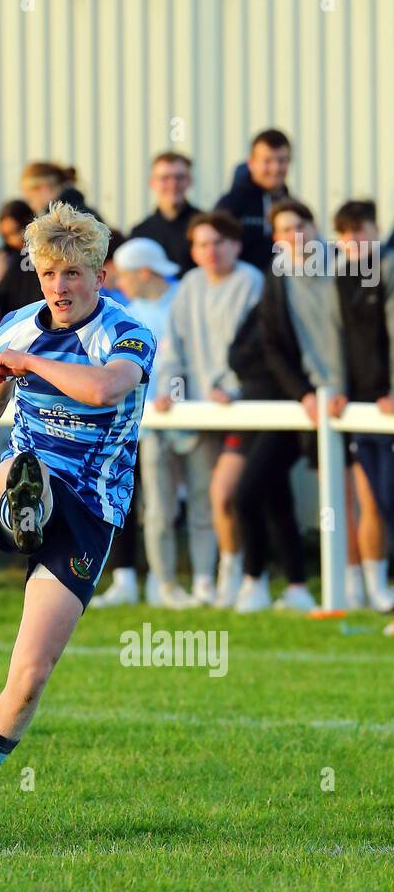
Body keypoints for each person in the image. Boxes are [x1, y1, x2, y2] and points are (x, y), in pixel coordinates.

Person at [0, 203, 156, 849]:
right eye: (49, 273)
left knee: (27, 681)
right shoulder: (16, 327)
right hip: (31, 470)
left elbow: (106, 389)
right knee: (24, 467)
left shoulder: (128, 333)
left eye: (74, 274)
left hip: (89, 511)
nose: (60, 286)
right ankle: (16, 505)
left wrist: (32, 366)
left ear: (100, 276)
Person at [226, 202, 333, 613]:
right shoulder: (276, 280)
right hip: (280, 403)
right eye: (285, 230)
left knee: (250, 494)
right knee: (270, 494)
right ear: (276, 238)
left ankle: (259, 579)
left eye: (301, 226)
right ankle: (293, 585)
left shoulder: (336, 270)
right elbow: (269, 347)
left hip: (318, 402)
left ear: (314, 226)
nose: (295, 235)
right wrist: (301, 392)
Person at [154, 211, 264, 608]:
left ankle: (239, 576)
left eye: (219, 242)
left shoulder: (251, 282)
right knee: (203, 498)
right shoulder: (189, 286)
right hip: (197, 411)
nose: (211, 251)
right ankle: (213, 579)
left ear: (235, 244)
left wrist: (233, 391)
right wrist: (171, 392)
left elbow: (257, 348)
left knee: (230, 494)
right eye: (202, 244)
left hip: (240, 406)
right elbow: (173, 349)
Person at [89, 237, 199, 609]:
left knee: (198, 502)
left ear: (145, 272)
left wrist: (180, 397)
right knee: (135, 502)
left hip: (193, 422)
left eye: (123, 276)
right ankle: (137, 581)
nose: (117, 283)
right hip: (137, 426)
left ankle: (191, 582)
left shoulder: (185, 301)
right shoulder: (128, 313)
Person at [333, 200, 394, 613]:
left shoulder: (387, 272)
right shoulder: (335, 278)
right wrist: (334, 388)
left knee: (385, 499)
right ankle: (358, 586)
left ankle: (377, 585)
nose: (354, 240)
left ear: (376, 229)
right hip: (349, 409)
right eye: (346, 233)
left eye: (361, 230)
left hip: (384, 406)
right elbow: (331, 342)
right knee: (357, 500)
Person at [214, 128, 292, 272]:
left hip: (280, 289)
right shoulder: (229, 205)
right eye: (267, 161)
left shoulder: (293, 208)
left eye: (282, 160)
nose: (275, 168)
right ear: (251, 163)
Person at [129, 152, 199, 274]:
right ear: (152, 183)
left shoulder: (205, 229)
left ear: (189, 181)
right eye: (165, 178)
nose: (173, 184)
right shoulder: (140, 233)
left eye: (180, 177)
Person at [0, 199, 40, 338]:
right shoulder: (6, 257)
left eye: (17, 230)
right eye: (6, 236)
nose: (13, 240)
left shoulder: (42, 253)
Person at [18, 161, 83, 216]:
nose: (32, 206)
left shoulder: (59, 220)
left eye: (31, 198)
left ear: (44, 189)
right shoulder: (83, 214)